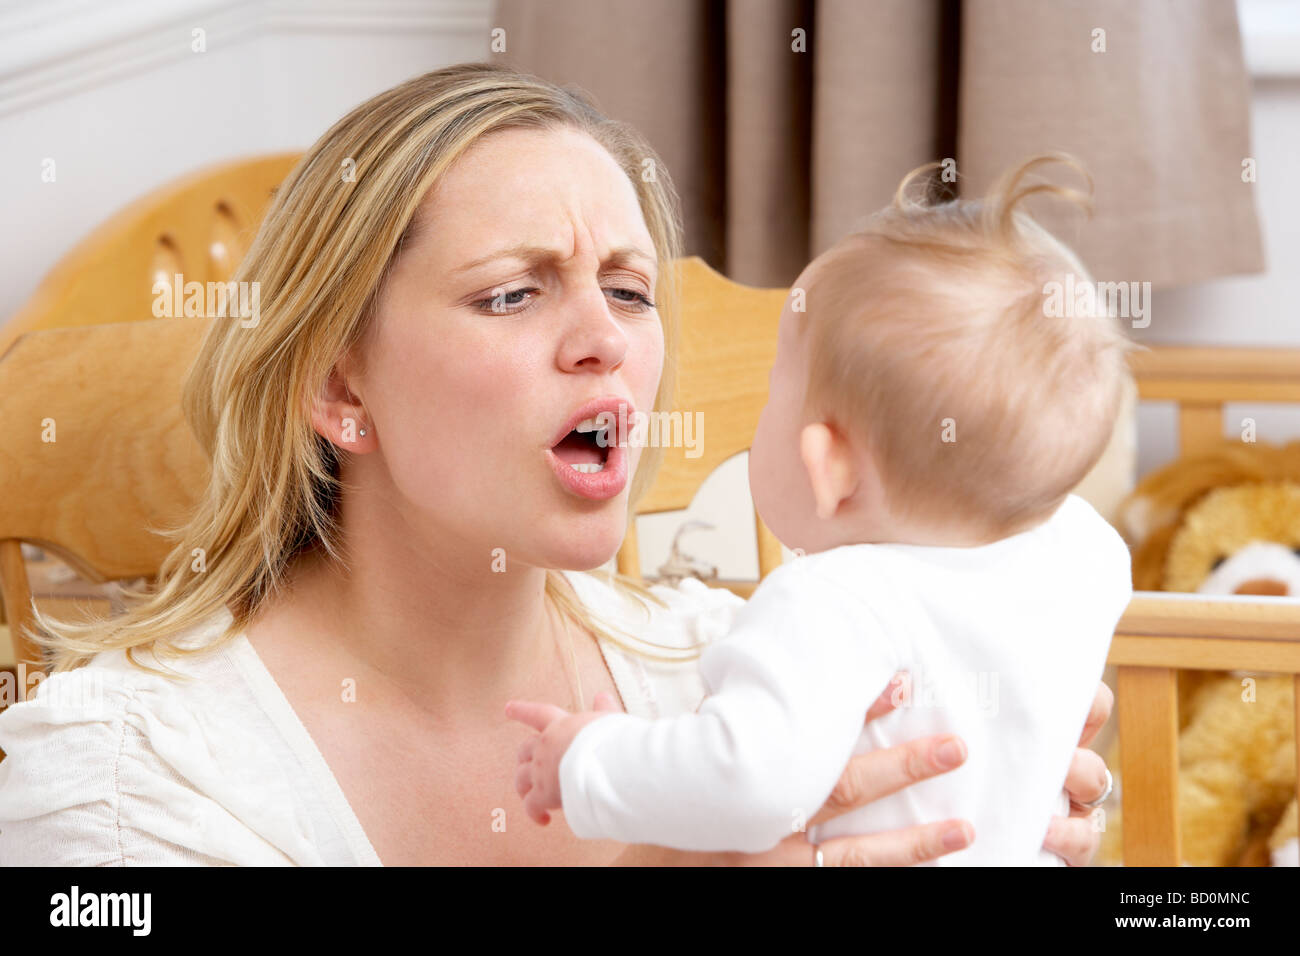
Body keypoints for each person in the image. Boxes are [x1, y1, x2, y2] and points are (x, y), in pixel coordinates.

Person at [0, 65, 1111, 866]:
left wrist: (1010, 810)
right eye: (512, 293)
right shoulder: (123, 787)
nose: (607, 339)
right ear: (341, 389)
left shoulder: (737, 680)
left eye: (628, 289)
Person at [508, 155, 1131, 864]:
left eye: (777, 387)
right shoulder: (1088, 558)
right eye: (509, 295)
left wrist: (588, 759)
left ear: (826, 466)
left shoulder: (828, 603)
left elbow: (746, 783)